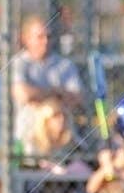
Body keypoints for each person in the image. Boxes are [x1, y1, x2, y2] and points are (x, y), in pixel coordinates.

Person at [10, 15, 85, 150]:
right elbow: (22, 94)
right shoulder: (19, 63)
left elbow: (77, 97)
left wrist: (38, 96)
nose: (45, 41)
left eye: (48, 37)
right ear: (26, 39)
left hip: (61, 138)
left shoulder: (64, 64)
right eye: (39, 37)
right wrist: (55, 93)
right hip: (28, 136)